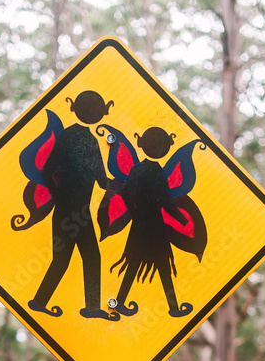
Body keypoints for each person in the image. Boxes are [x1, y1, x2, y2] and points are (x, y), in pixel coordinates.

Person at [13, 90, 119, 321]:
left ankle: (41, 301)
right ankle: (85, 306)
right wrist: (121, 184)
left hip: (69, 211)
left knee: (64, 260)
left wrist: (59, 195)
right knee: (88, 257)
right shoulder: (88, 141)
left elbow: (48, 170)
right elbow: (102, 180)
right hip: (77, 212)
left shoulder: (69, 136)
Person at [97, 126, 207, 318]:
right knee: (162, 265)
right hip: (155, 228)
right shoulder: (156, 171)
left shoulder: (136, 170)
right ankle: (173, 307)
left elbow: (125, 192)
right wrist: (179, 217)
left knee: (138, 263)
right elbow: (164, 200)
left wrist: (135, 212)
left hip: (141, 227)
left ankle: (123, 302)